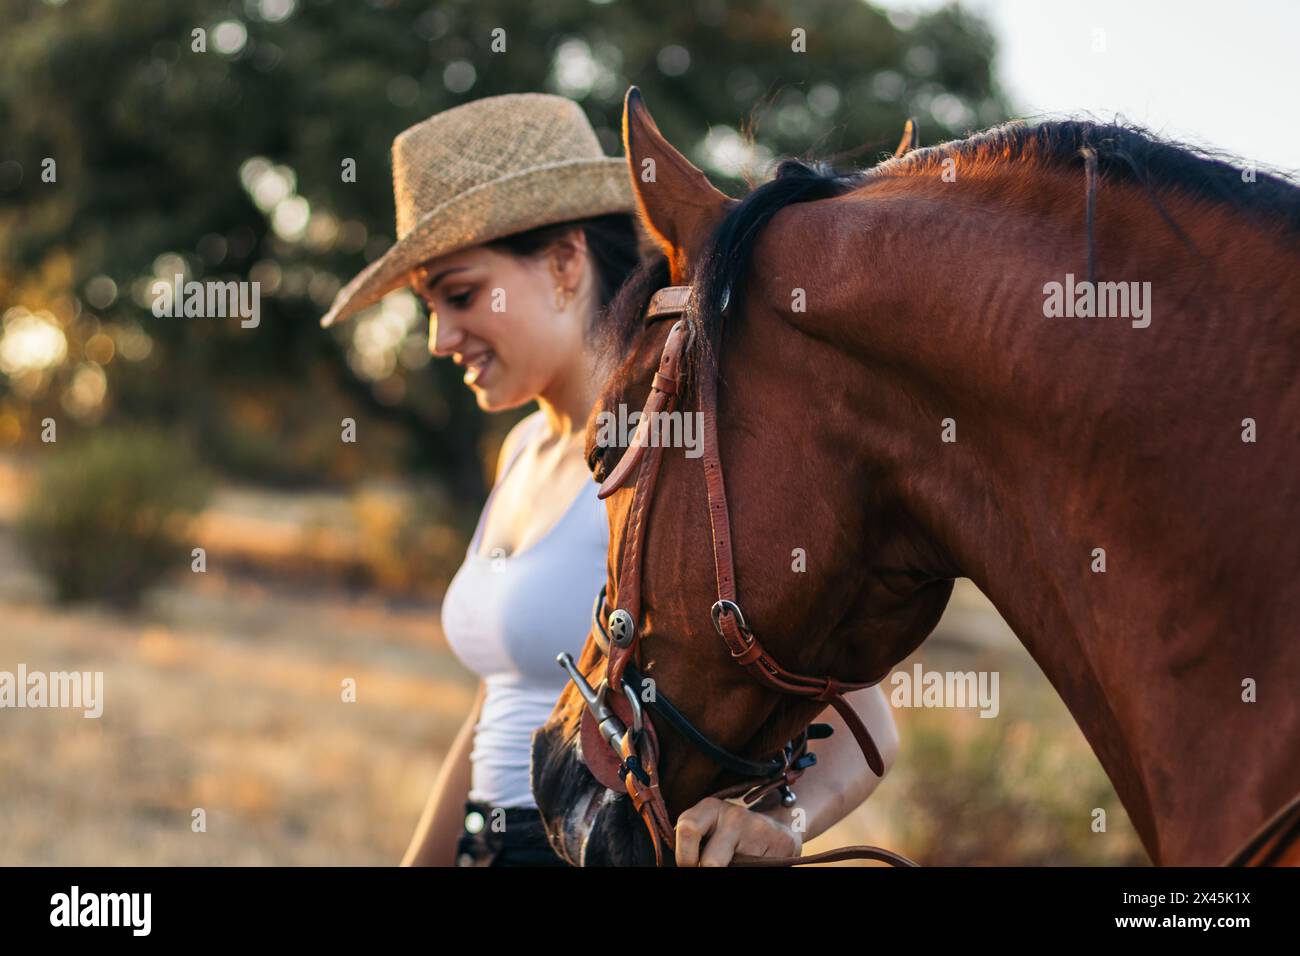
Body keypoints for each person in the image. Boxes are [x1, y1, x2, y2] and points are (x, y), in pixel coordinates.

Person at [320, 93, 900, 866]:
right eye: (428, 307)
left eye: (459, 296)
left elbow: (871, 728)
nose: (437, 337)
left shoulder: (677, 455)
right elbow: (499, 704)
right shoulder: (522, 449)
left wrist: (781, 821)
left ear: (564, 264)